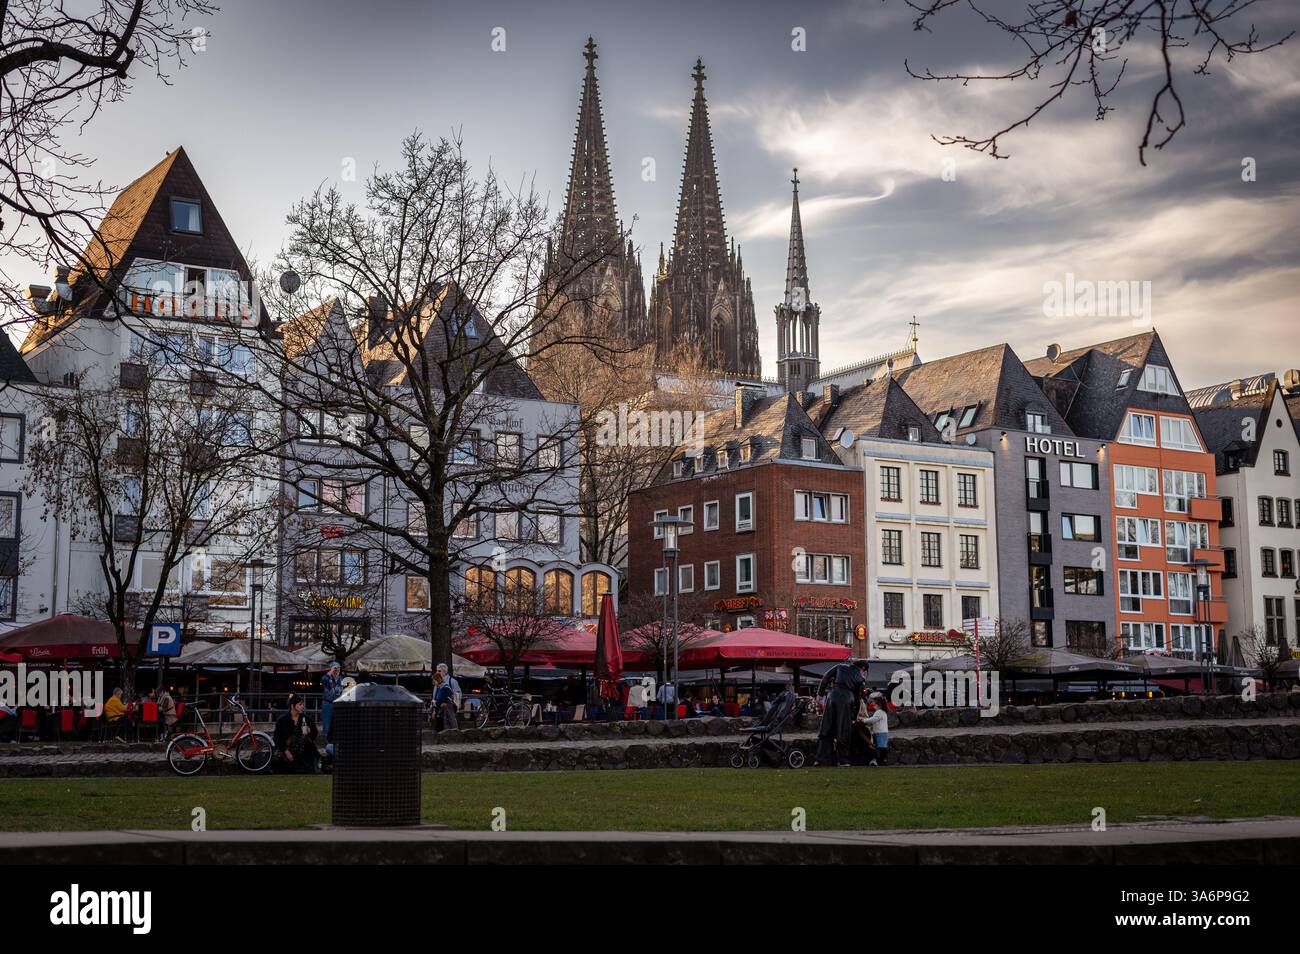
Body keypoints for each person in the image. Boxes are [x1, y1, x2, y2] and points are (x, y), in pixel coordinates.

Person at [814, 659, 868, 767]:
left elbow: (826, 677)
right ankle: (843, 760)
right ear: (862, 669)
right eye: (864, 671)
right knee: (843, 730)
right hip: (847, 699)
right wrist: (854, 716)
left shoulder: (840, 667)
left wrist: (820, 694)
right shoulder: (860, 678)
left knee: (826, 727)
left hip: (832, 696)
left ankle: (821, 759)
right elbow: (857, 699)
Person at [273, 693, 320, 773]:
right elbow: (277, 738)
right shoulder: (283, 720)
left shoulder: (306, 719)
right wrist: (285, 751)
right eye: (300, 704)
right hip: (287, 749)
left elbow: (314, 735)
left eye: (303, 704)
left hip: (303, 749)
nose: (303, 707)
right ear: (292, 705)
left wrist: (310, 731)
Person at [859, 697, 890, 766]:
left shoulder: (879, 712)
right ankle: (882, 760)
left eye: (874, 703)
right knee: (881, 746)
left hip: (880, 733)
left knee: (881, 747)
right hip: (881, 732)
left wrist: (864, 720)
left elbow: (873, 719)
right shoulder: (882, 712)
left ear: (878, 704)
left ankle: (883, 760)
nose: (873, 704)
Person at [321, 662, 344, 739]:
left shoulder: (341, 679)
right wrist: (330, 672)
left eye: (338, 668)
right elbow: (323, 680)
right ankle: (326, 742)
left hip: (338, 704)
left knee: (337, 724)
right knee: (327, 724)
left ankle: (336, 740)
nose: (337, 669)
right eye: (335, 668)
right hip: (328, 703)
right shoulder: (327, 678)